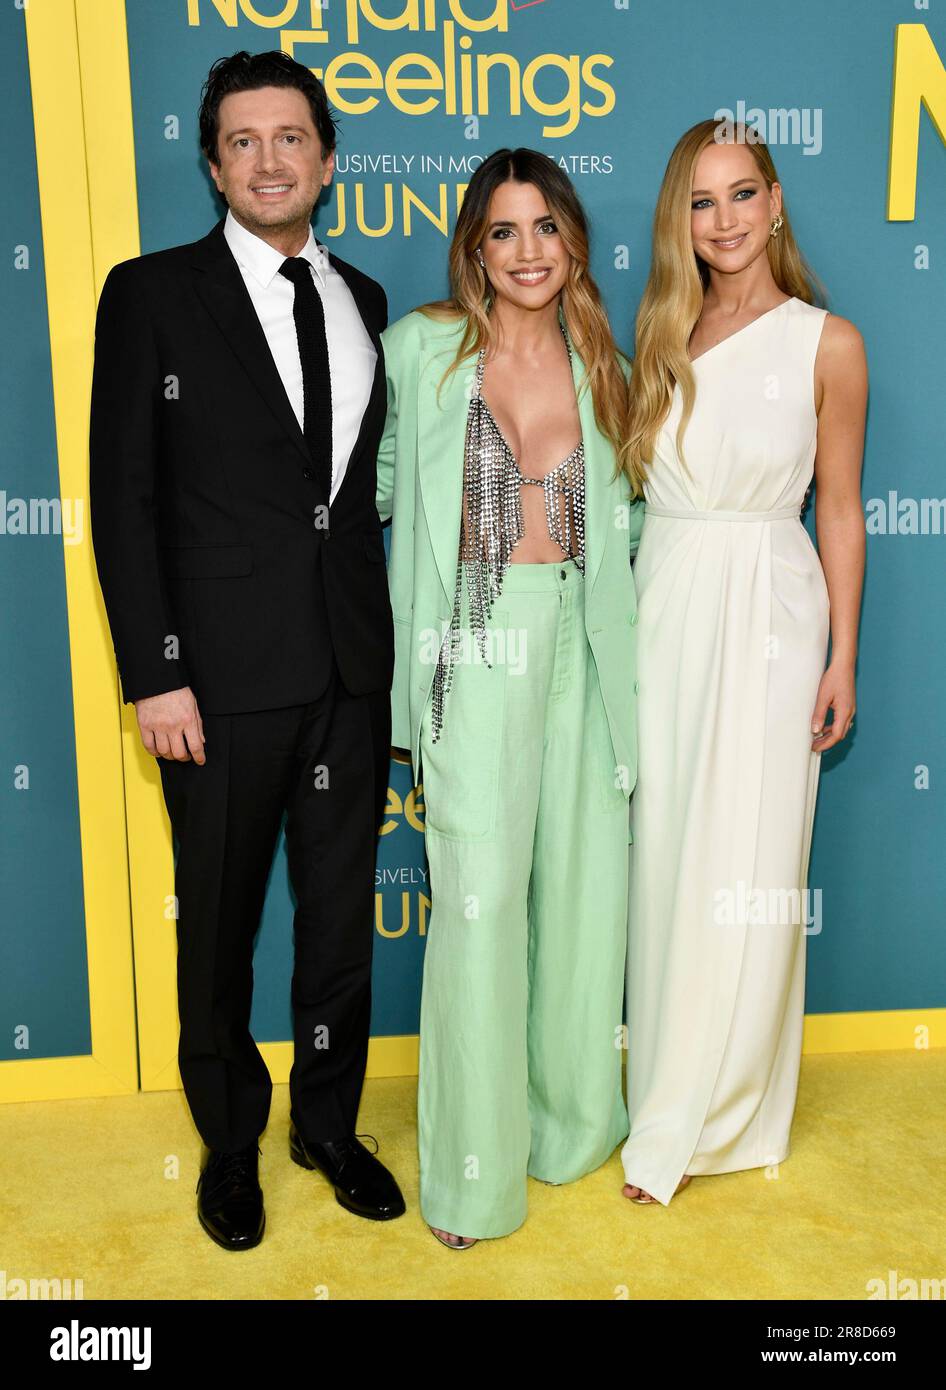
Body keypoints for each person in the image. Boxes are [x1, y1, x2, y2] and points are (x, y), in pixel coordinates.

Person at [89, 50, 404, 1249]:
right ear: (214, 161)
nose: (268, 160)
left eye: (290, 138)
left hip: (345, 669)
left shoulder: (365, 298)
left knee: (336, 920)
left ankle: (328, 1124)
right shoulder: (152, 293)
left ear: (326, 158)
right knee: (218, 923)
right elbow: (124, 499)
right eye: (242, 140)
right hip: (213, 680)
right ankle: (230, 1143)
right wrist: (155, 670)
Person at [377, 148, 644, 1247]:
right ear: (473, 247)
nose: (527, 250)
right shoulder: (421, 348)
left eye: (545, 227)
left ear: (572, 239)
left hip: (586, 642)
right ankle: (472, 1178)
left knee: (584, 902)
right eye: (503, 230)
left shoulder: (607, 360)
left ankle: (570, 1130)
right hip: (472, 644)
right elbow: (369, 487)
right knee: (479, 913)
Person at [620, 118, 867, 1205]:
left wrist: (842, 657)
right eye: (698, 201)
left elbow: (844, 510)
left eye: (739, 194)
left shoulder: (828, 341)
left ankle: (721, 1115)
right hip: (662, 605)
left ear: (774, 201)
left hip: (771, 606)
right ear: (680, 219)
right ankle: (662, 1088)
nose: (720, 220)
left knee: (753, 860)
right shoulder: (658, 334)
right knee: (668, 850)